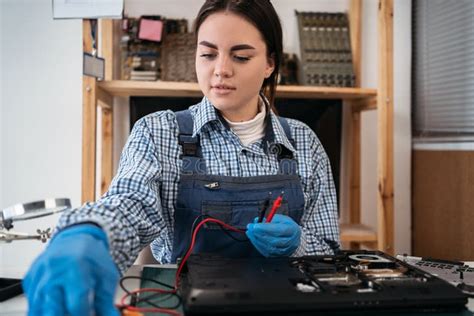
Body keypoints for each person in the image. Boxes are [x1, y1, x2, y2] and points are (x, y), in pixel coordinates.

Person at [23, 0, 340, 315]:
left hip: (286, 304)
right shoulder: (157, 132)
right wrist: (90, 233)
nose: (220, 69)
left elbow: (329, 250)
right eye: (208, 54)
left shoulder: (303, 141)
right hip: (183, 306)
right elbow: (130, 202)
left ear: (270, 63)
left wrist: (297, 243)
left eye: (241, 56)